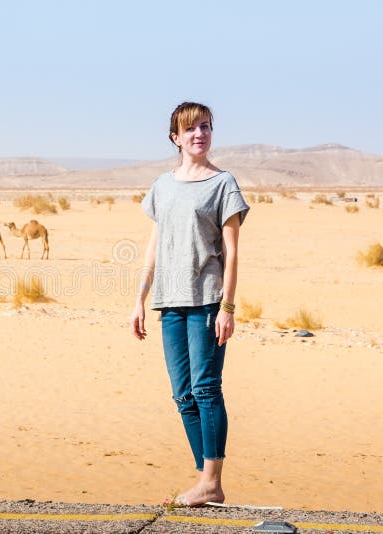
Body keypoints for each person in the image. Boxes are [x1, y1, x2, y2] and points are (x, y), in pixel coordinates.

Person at [130, 101, 250, 506]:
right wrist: (139, 299)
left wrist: (228, 308)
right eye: (191, 128)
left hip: (206, 302)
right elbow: (154, 245)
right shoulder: (162, 186)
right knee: (182, 394)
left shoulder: (223, 184)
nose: (200, 133)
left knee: (205, 388)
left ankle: (211, 481)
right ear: (175, 137)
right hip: (169, 301)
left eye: (206, 126)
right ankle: (206, 481)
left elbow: (232, 253)